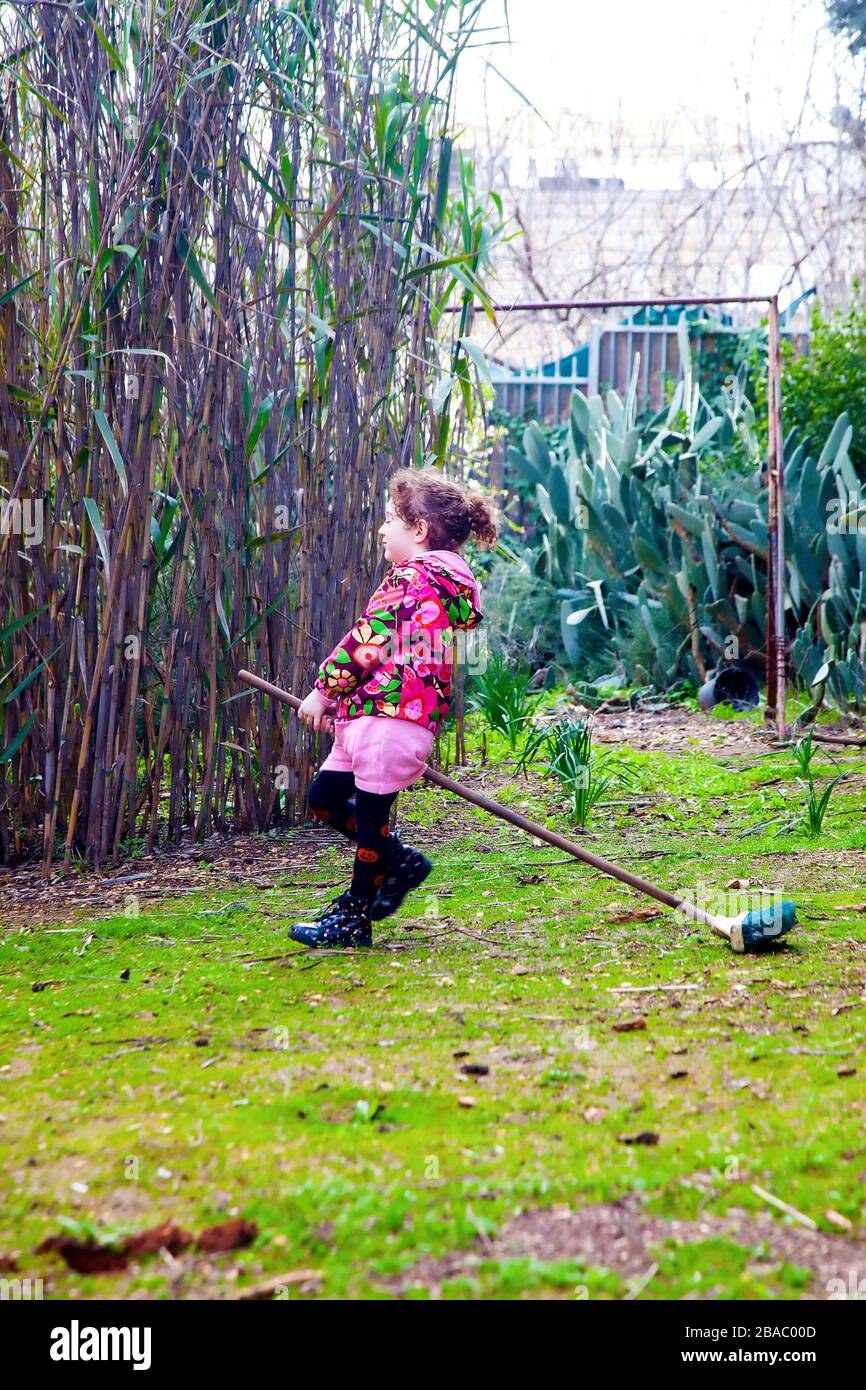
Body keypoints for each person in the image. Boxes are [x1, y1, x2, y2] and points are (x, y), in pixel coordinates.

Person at [289, 466, 500, 948]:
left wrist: (323, 690)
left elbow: (367, 642)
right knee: (323, 799)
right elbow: (392, 651)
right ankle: (399, 861)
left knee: (368, 825)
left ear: (419, 532)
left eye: (389, 519)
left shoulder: (412, 577)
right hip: (376, 718)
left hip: (391, 721)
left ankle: (354, 918)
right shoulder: (437, 583)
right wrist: (345, 704)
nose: (382, 529)